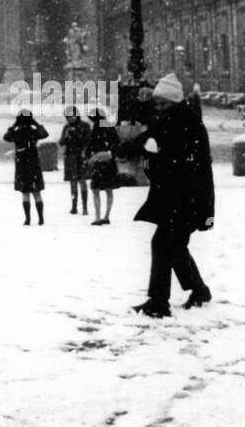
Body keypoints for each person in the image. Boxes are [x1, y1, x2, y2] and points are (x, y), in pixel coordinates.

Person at [117, 74, 214, 317]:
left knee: (165, 244)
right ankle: (198, 291)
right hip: (180, 195)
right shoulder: (175, 118)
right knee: (174, 246)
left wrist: (151, 156)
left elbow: (159, 143)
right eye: (156, 103)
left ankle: (160, 301)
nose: (158, 108)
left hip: (185, 195)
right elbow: (148, 134)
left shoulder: (181, 121)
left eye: (162, 104)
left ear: (173, 103)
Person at [4, 108, 49, 225]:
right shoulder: (33, 132)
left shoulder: (17, 132)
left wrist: (14, 125)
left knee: (25, 193)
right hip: (33, 163)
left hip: (21, 164)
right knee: (37, 192)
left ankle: (27, 218)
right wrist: (36, 124)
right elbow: (44, 134)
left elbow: (6, 137)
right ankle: (41, 218)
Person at [84, 107, 119, 226]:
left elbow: (90, 145)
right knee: (109, 189)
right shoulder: (109, 126)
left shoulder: (96, 128)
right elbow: (116, 144)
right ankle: (106, 216)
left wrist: (89, 156)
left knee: (95, 190)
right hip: (109, 161)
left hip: (98, 161)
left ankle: (98, 217)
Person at [59, 105, 92, 215]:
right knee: (73, 182)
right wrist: (67, 135)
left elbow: (88, 141)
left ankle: (85, 207)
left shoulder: (85, 126)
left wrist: (77, 135)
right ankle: (74, 206)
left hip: (81, 156)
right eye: (68, 116)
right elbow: (61, 142)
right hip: (70, 156)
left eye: (73, 115)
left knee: (82, 181)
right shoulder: (66, 127)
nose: (71, 118)